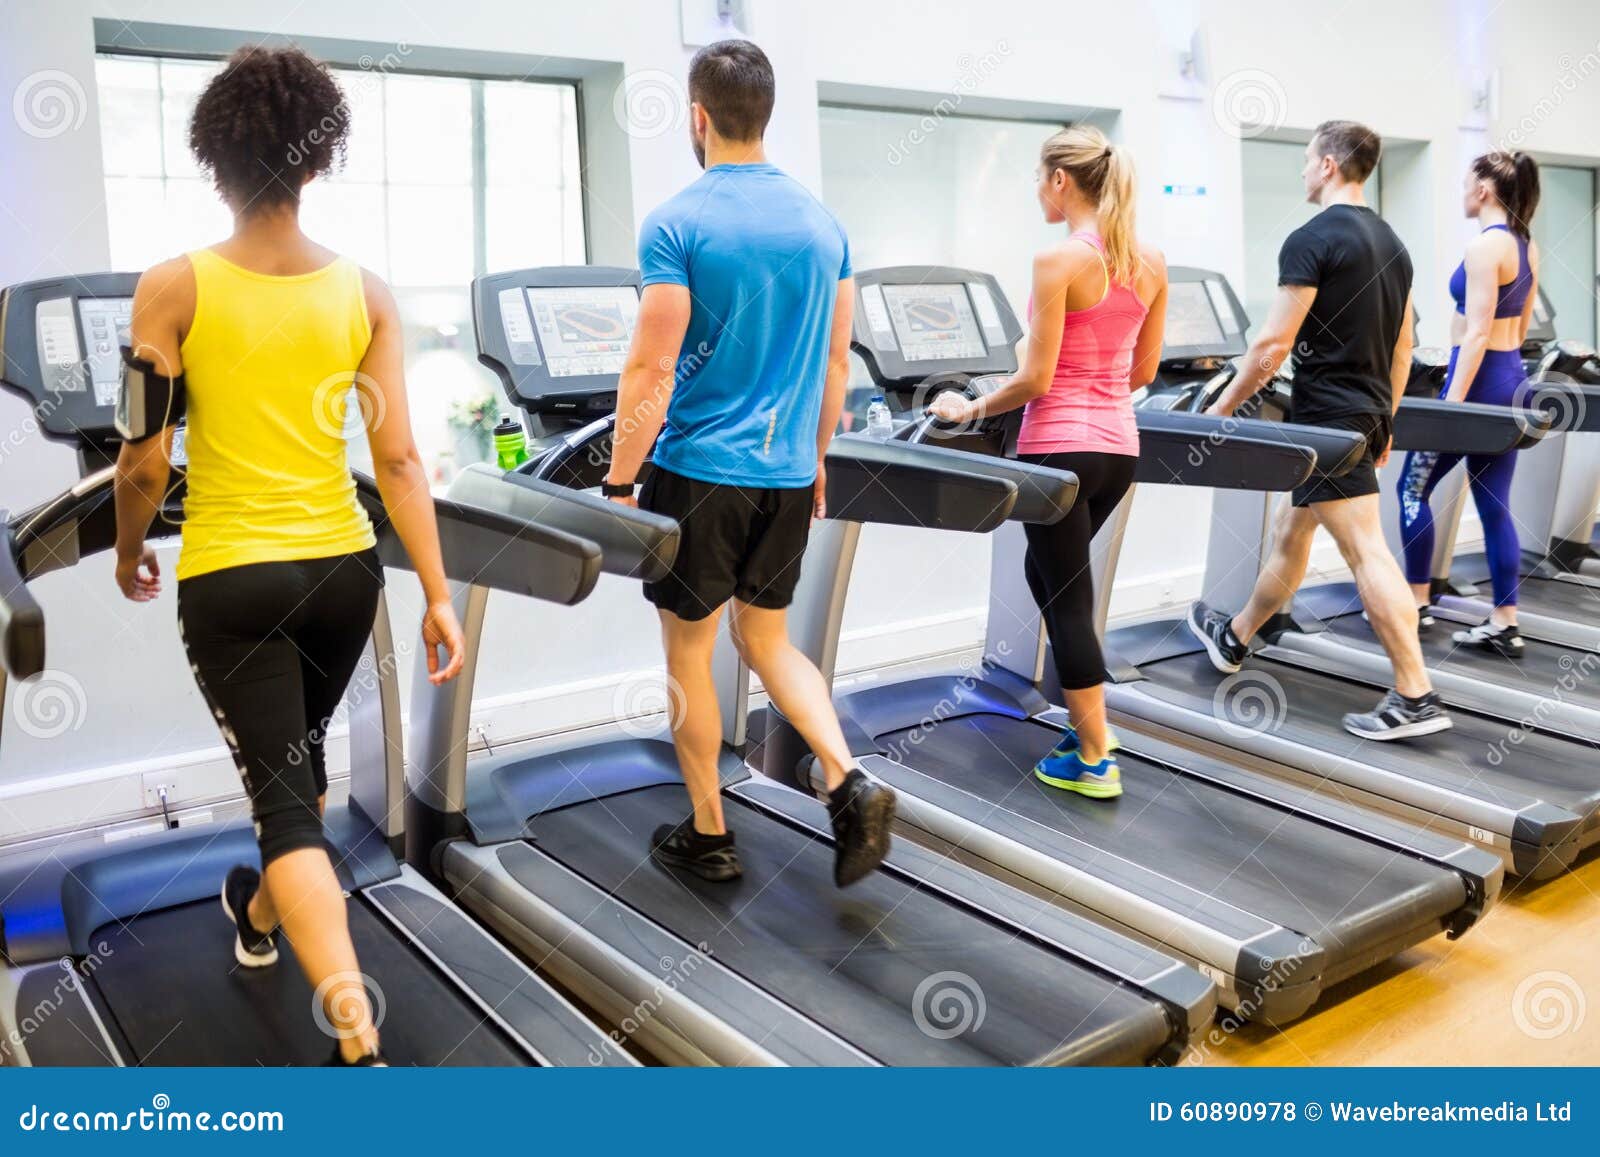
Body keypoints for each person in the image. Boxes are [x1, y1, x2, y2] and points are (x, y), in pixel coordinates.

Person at [112, 46, 466, 1065]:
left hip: (234, 580)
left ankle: (359, 1048)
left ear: (212, 161)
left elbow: (143, 461)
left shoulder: (170, 287)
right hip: (343, 578)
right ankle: (259, 915)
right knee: (298, 781)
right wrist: (436, 594)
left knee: (283, 807)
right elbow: (397, 457)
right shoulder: (368, 291)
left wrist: (129, 554)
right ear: (317, 163)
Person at [603, 40, 895, 885]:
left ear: (698, 118)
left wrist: (621, 480)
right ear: (762, 115)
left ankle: (708, 832)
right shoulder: (822, 223)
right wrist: (816, 457)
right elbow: (839, 363)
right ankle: (848, 778)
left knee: (689, 655)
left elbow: (652, 367)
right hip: (788, 473)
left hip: (699, 470)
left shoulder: (677, 221)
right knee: (768, 638)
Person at [1189, 120, 1452, 741]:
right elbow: (1403, 344)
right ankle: (1237, 636)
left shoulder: (1311, 238)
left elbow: (1273, 343)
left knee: (1365, 549)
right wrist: (1386, 417)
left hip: (1325, 416)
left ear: (1330, 165)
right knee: (1294, 527)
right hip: (1361, 412)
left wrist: (1220, 411)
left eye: (1308, 160)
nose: (1304, 170)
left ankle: (1415, 694)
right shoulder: (1392, 242)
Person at [927, 125, 1167, 798]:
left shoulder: (1057, 261)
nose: (1038, 188)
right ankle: (1089, 722)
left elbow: (1034, 379)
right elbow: (1142, 368)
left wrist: (966, 409)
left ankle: (1095, 756)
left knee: (1067, 599)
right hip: (1118, 450)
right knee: (1050, 574)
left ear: (1062, 181)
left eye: (1040, 177)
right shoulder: (1150, 261)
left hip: (1056, 451)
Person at [1397, 151, 1541, 657]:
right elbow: (1518, 330)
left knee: (1412, 488)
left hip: (1476, 383)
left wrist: (1450, 406)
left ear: (1483, 189)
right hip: (1510, 377)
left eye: (1464, 183)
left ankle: (1415, 604)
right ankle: (1505, 620)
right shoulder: (1525, 245)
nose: (1461, 191)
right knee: (1495, 505)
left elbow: (1477, 330)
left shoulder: (1485, 248)